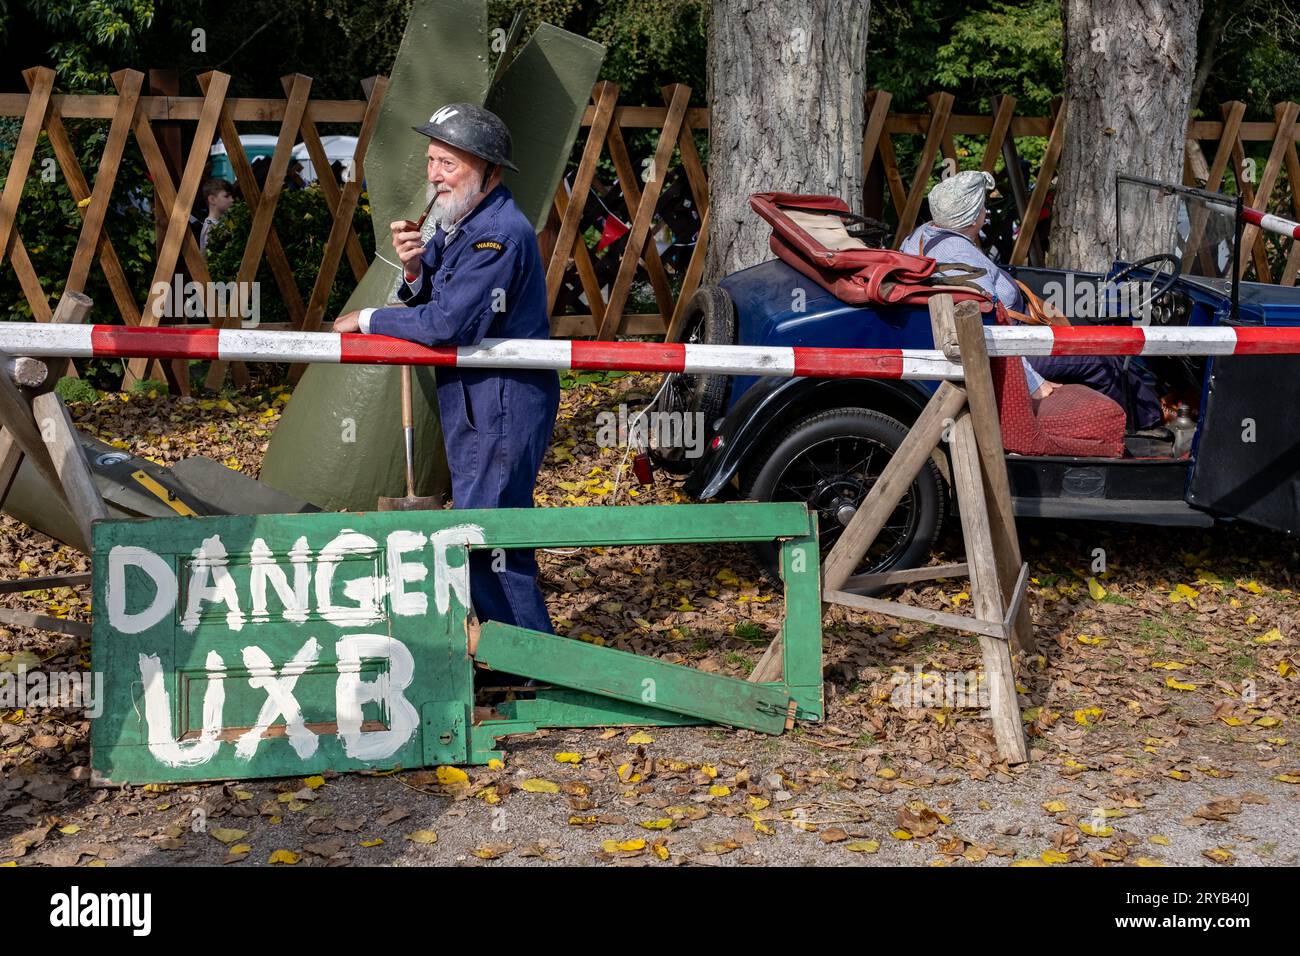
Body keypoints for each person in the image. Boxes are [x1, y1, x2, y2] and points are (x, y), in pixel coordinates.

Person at [332, 103, 559, 640]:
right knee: (482, 532)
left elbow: (447, 322)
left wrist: (368, 318)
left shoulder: (496, 233)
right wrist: (413, 267)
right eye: (432, 160)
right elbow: (431, 294)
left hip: (502, 399)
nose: (434, 174)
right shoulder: (460, 222)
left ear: (490, 172)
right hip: (477, 399)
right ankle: (513, 657)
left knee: (488, 536)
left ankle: (531, 665)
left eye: (449, 164)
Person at [902, 170, 1164, 432]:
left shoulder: (925, 234)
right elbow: (985, 326)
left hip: (1016, 335)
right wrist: (1032, 381)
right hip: (1008, 348)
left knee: (1099, 346)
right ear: (972, 218)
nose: (986, 211)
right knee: (1103, 360)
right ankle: (1139, 432)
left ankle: (1144, 414)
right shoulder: (959, 260)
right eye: (983, 206)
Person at [196, 178, 235, 251]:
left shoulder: (222, 222)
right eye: (226, 196)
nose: (232, 200)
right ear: (212, 199)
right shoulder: (210, 228)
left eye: (232, 197)